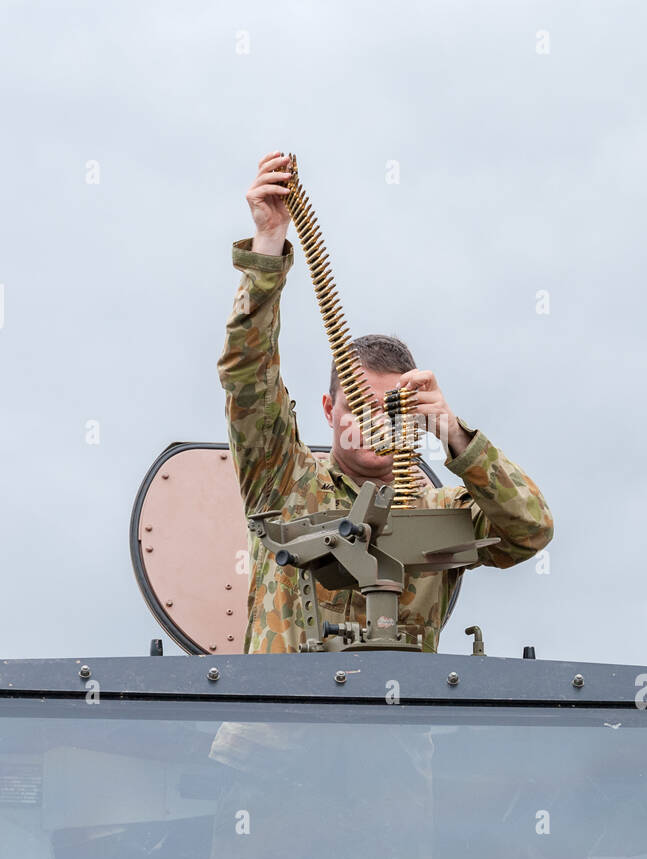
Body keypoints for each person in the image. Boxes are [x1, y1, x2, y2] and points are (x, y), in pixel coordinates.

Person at [218, 151, 555, 654]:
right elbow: (247, 377)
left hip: (392, 729)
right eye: (360, 406)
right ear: (330, 410)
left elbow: (529, 530)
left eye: (392, 409)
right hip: (277, 728)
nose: (375, 424)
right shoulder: (283, 482)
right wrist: (268, 248)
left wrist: (455, 436)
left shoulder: (441, 512)